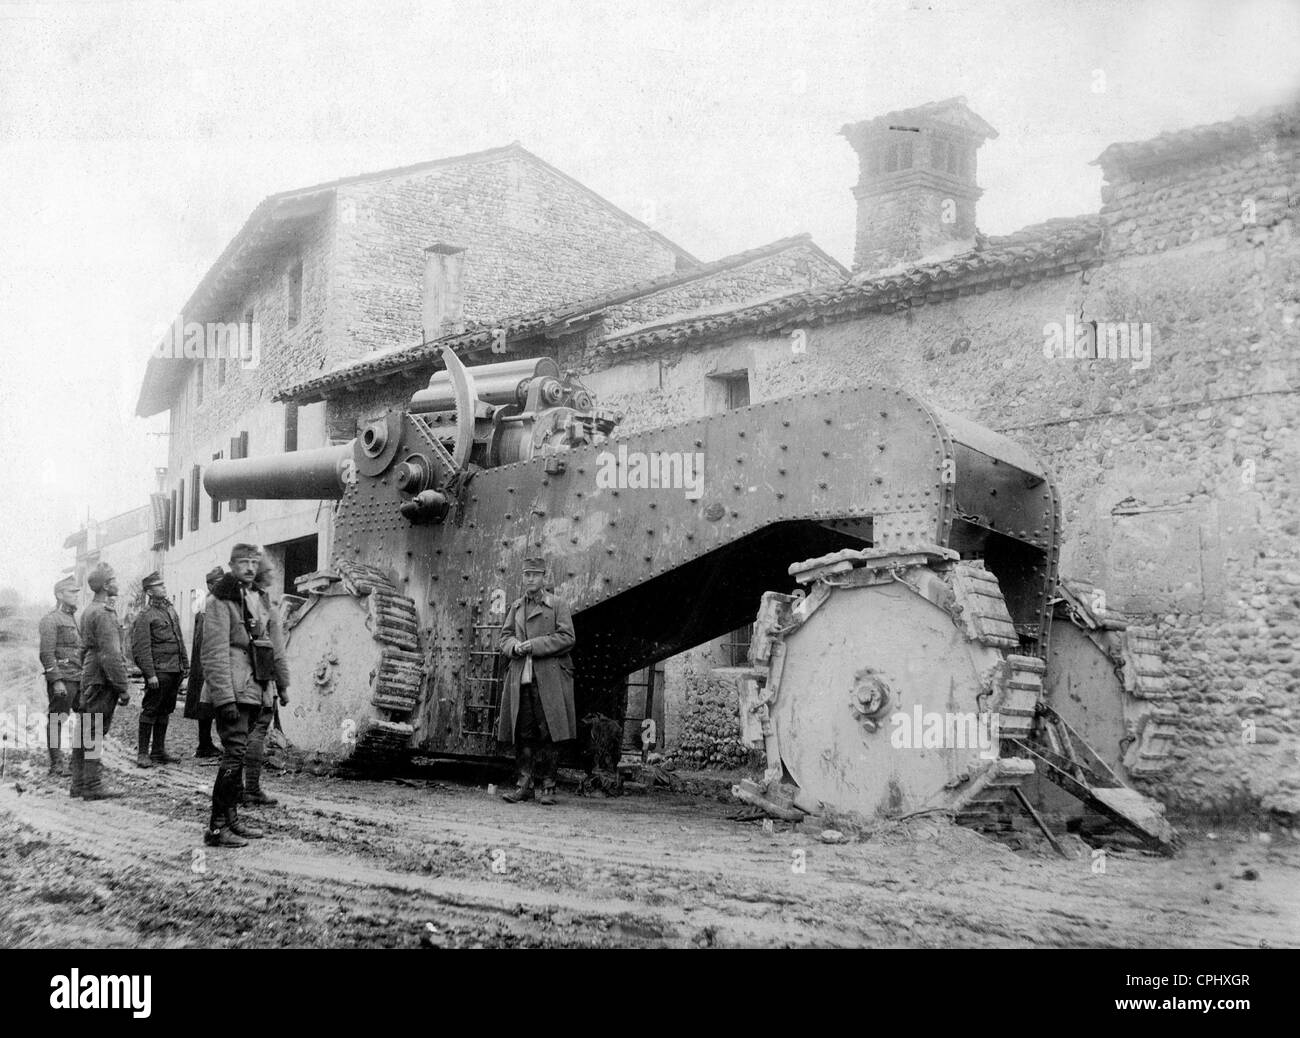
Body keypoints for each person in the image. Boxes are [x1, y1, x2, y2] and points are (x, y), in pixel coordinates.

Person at [200, 544, 290, 848]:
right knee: (234, 754)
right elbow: (213, 654)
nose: (250, 567)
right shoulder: (220, 602)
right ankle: (216, 827)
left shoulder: (255, 599)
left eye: (254, 562)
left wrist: (281, 685)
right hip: (233, 690)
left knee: (236, 756)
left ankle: (232, 820)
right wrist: (223, 698)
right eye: (243, 562)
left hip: (254, 689)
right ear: (231, 565)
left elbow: (271, 647)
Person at [497, 555, 576, 806]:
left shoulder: (557, 604)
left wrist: (536, 645)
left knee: (549, 733)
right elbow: (504, 637)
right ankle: (523, 786)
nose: (530, 578)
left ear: (544, 578)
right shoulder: (516, 607)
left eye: (534, 574)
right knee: (523, 732)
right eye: (526, 574)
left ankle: (549, 788)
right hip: (522, 678)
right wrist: (514, 647)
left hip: (549, 679)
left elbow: (567, 637)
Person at [74, 563, 130, 800]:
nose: (118, 583)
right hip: (101, 678)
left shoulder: (89, 610)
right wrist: (123, 687)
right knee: (94, 731)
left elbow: (84, 650)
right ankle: (92, 785)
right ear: (106, 586)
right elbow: (111, 655)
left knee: (85, 729)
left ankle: (78, 784)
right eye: (114, 579)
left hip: (90, 675)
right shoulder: (104, 613)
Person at [130, 571, 188, 768]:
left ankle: (158, 751)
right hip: (159, 672)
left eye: (163, 584)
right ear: (149, 591)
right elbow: (141, 648)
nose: (163, 587)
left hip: (174, 670)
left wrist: (185, 665)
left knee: (165, 711)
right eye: (158, 585)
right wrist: (150, 674)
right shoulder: (145, 615)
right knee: (151, 710)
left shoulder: (170, 611)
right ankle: (143, 753)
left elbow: (179, 639)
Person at [241, 556, 280, 806]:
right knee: (94, 720)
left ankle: (93, 773)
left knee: (95, 722)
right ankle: (93, 779)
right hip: (96, 682)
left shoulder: (251, 601)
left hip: (96, 682)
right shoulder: (98, 613)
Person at [37, 576, 81, 777]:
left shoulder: (76, 619)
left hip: (81, 677)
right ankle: (57, 764)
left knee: (90, 717)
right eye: (71, 592)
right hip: (64, 679)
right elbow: (46, 653)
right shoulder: (50, 620)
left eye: (76, 592)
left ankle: (79, 762)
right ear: (59, 595)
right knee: (57, 719)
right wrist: (56, 680)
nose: (75, 596)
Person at [184, 566, 226, 759]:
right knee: (91, 718)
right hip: (208, 661)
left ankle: (88, 768)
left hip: (88, 680)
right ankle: (88, 770)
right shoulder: (207, 604)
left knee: (210, 706)